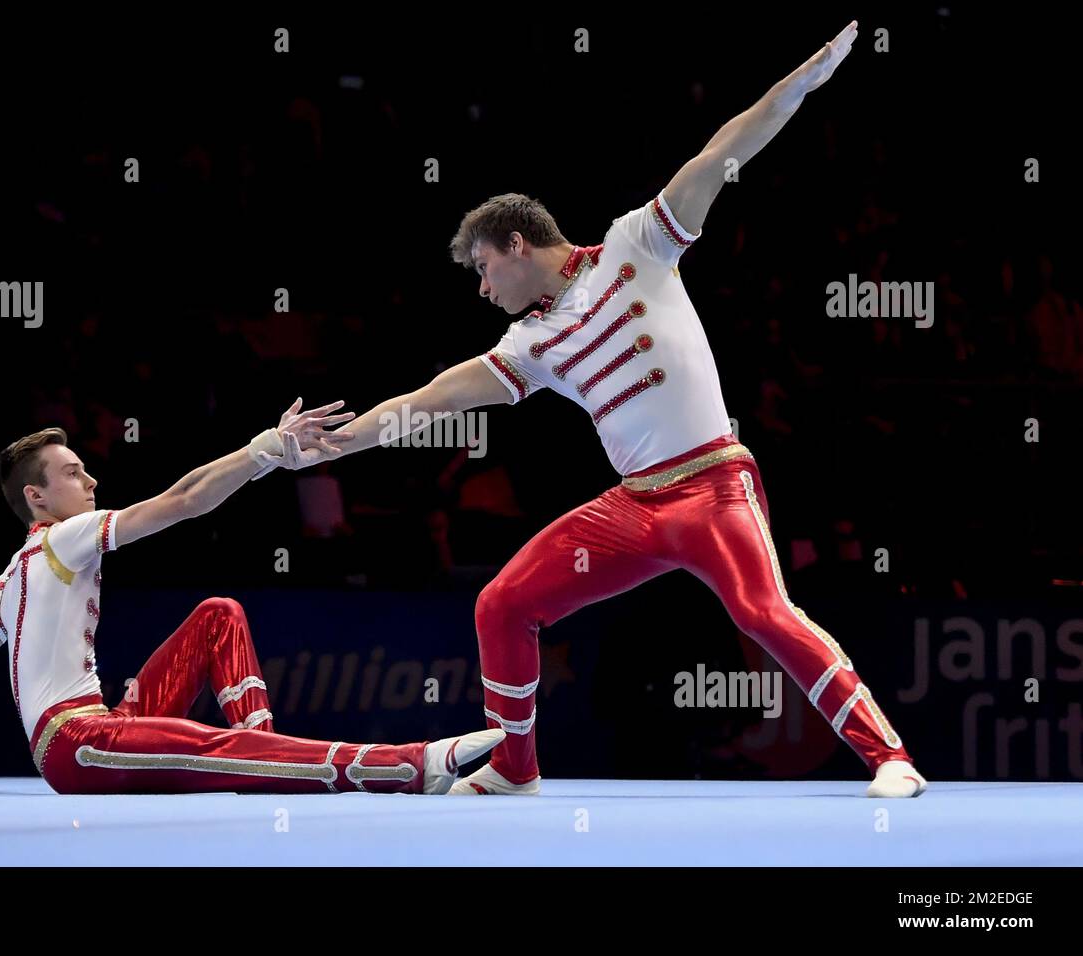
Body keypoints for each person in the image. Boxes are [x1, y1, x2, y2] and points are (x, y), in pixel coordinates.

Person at [274, 21, 926, 798]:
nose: (483, 291)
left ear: (517, 244)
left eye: (484, 270)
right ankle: (515, 767)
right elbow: (426, 401)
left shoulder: (635, 246)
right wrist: (331, 446)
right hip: (634, 509)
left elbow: (719, 155)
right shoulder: (531, 342)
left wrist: (798, 85)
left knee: (761, 611)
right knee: (502, 604)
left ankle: (891, 757)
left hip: (715, 487)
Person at [0, 400, 502, 795]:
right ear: (36, 496)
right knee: (217, 747)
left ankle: (273, 755)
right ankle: (408, 765)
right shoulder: (65, 536)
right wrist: (265, 449)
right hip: (79, 744)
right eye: (74, 474)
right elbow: (184, 501)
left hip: (101, 724)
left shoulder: (9, 577)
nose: (92, 482)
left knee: (217, 615)